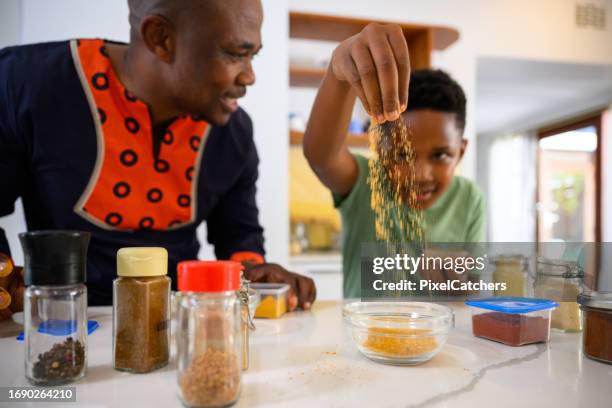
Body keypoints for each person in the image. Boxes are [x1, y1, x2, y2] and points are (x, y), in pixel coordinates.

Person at [0, 0, 315, 309]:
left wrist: (254, 271)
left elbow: (238, 234)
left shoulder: (233, 132)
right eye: (235, 54)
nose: (249, 77)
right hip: (58, 330)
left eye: (253, 56)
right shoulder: (25, 85)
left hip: (176, 329)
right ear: (161, 38)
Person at [303, 24, 485, 298]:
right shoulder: (365, 182)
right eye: (402, 154)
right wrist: (338, 74)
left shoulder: (469, 198)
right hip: (364, 337)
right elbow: (321, 156)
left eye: (440, 155)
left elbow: (472, 283)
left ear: (461, 151)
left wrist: (462, 279)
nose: (420, 174)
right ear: (380, 148)